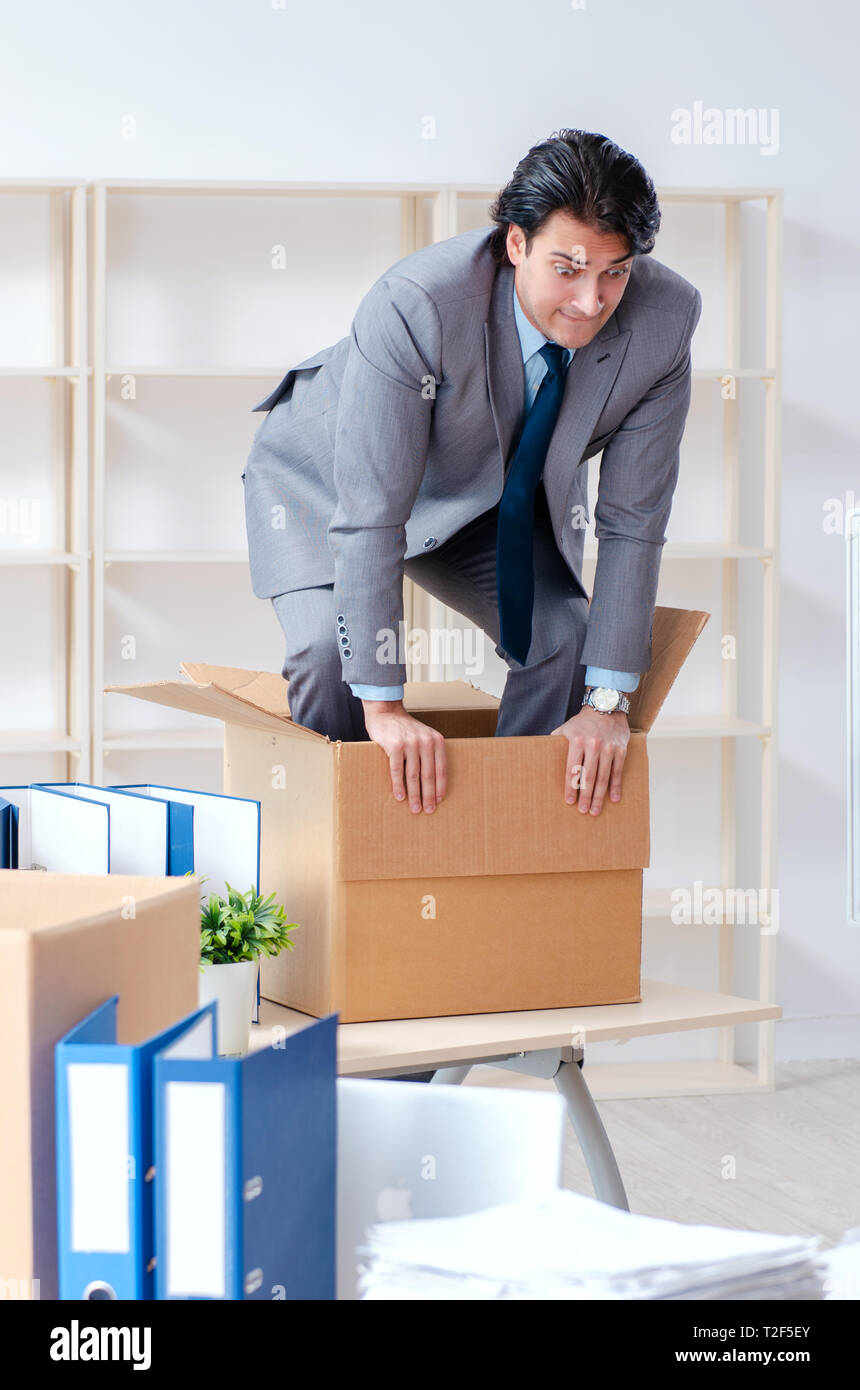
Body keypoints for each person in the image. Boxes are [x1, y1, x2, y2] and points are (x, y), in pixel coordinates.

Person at [243, 128, 701, 822]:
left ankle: (499, 836)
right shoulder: (417, 302)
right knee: (328, 659)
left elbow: (634, 520)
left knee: (564, 639)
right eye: (568, 268)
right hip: (327, 480)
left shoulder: (665, 322)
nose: (590, 301)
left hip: (485, 495)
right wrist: (387, 707)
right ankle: (344, 846)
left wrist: (607, 705)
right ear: (515, 244)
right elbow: (372, 515)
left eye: (615, 271)